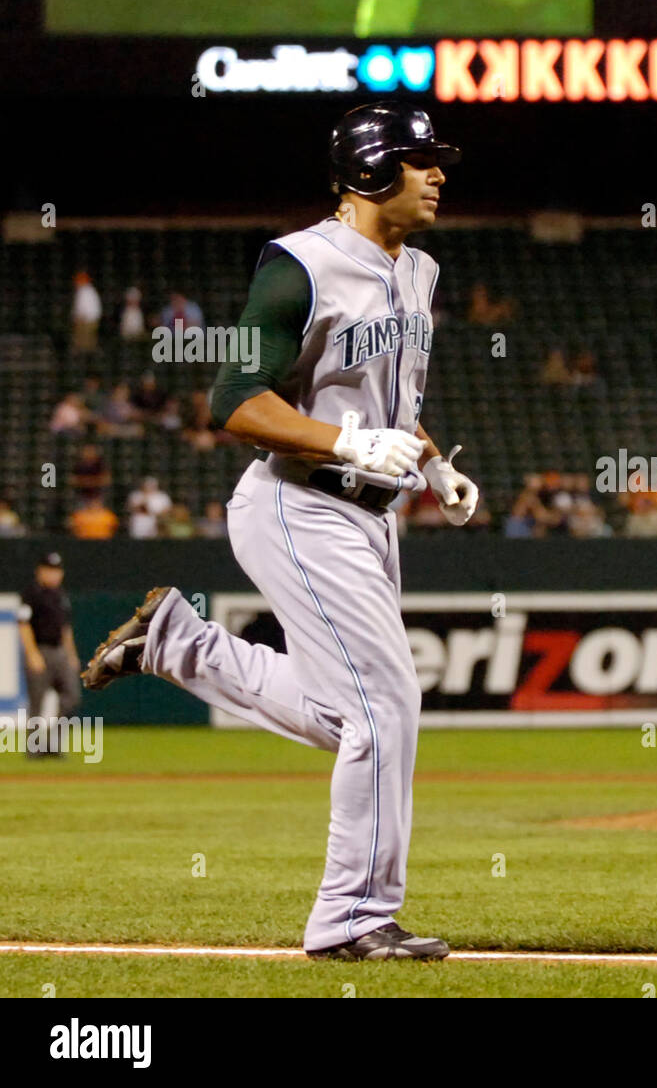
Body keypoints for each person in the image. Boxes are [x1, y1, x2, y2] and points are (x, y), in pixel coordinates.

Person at [80, 102, 477, 963]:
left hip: (373, 516)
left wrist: (433, 462)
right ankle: (351, 918)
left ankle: (177, 645)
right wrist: (344, 442)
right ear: (371, 171)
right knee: (388, 708)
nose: (439, 173)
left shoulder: (422, 271)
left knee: (359, 720)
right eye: (421, 161)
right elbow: (233, 400)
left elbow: (387, 403)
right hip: (300, 503)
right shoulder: (299, 265)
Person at [17, 553, 81, 758]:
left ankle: (54, 744)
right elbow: (23, 625)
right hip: (40, 650)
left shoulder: (60, 594)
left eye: (57, 570)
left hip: (60, 651)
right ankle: (34, 749)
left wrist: (71, 654)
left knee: (71, 696)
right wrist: (32, 654)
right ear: (40, 570)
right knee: (37, 702)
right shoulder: (31, 593)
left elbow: (65, 627)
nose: (53, 574)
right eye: (49, 569)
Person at [71, 272, 102, 354]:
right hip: (90, 320)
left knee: (84, 344)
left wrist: (78, 320)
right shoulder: (88, 290)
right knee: (88, 342)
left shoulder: (85, 291)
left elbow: (82, 309)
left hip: (86, 321)